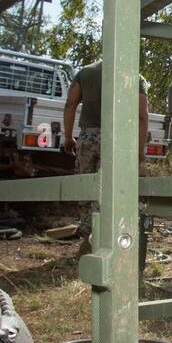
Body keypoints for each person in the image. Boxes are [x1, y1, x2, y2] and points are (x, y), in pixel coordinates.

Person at [63, 60, 149, 250]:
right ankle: (105, 239)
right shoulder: (133, 75)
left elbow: (70, 104)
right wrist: (139, 150)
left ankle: (88, 239)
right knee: (110, 189)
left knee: (85, 188)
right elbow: (142, 115)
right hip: (117, 140)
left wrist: (68, 136)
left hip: (87, 137)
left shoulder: (85, 73)